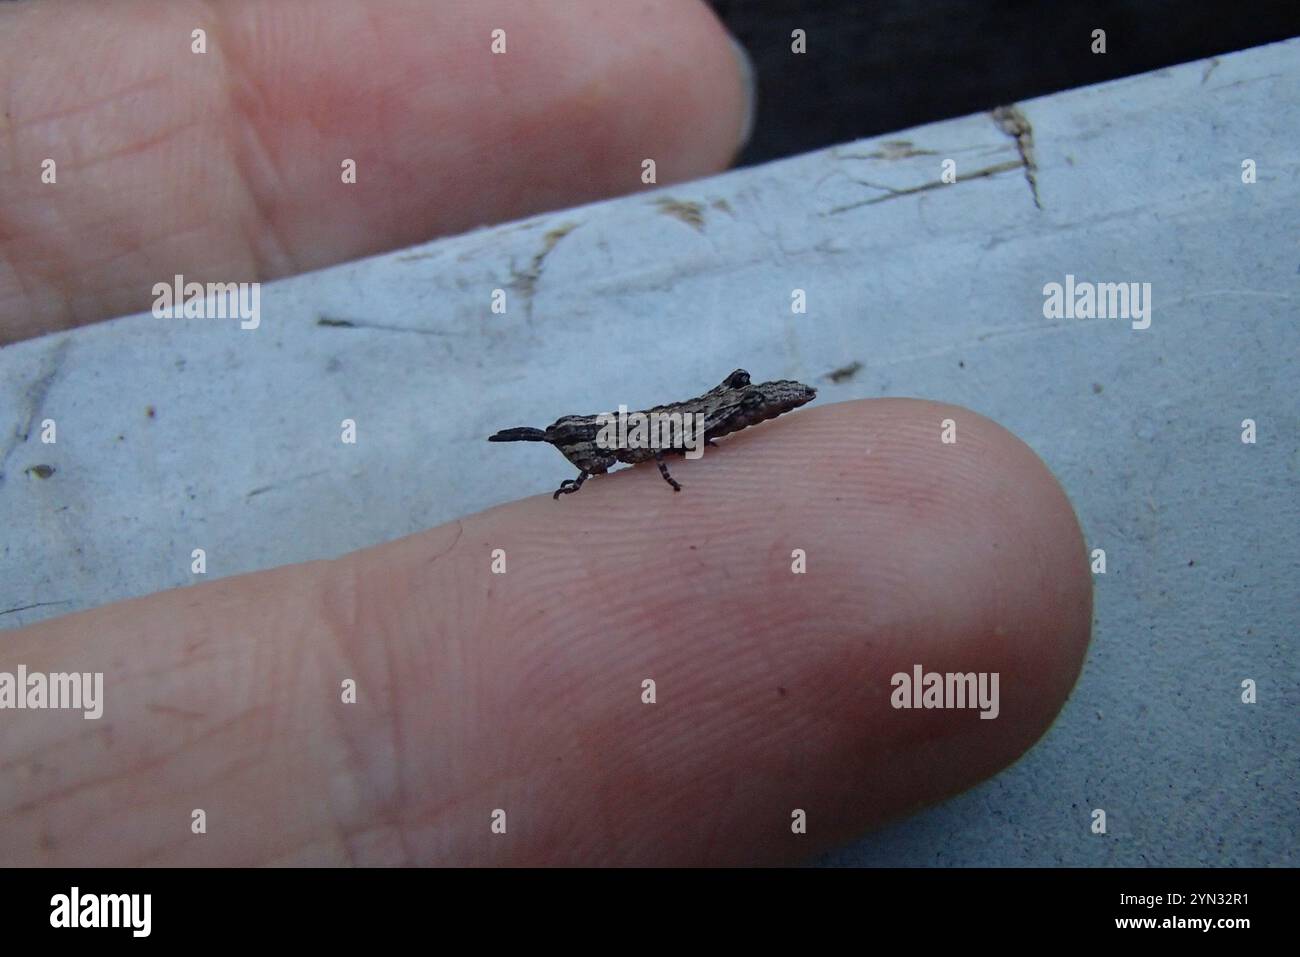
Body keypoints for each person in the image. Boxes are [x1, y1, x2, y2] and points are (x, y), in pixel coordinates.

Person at [0, 0, 1090, 865]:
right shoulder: (588, 449)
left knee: (713, 422)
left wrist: (668, 453)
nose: (572, 456)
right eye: (568, 451)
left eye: (570, 448)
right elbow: (597, 457)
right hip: (675, 429)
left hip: (706, 420)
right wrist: (590, 463)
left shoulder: (629, 440)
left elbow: (655, 445)